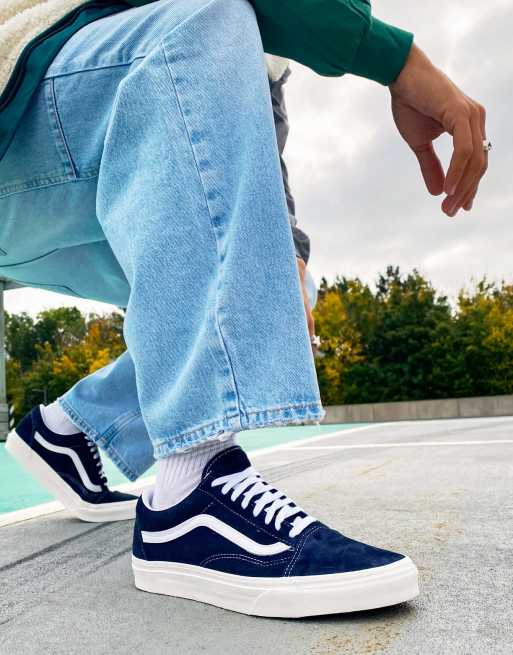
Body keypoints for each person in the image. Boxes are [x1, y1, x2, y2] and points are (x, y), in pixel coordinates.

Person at [1, 0, 488, 618]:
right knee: (205, 19)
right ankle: (188, 495)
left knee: (286, 279)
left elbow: (236, 165)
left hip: (62, 207)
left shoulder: (256, 65)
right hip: (21, 130)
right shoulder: (203, 34)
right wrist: (400, 61)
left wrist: (290, 260)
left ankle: (74, 434)